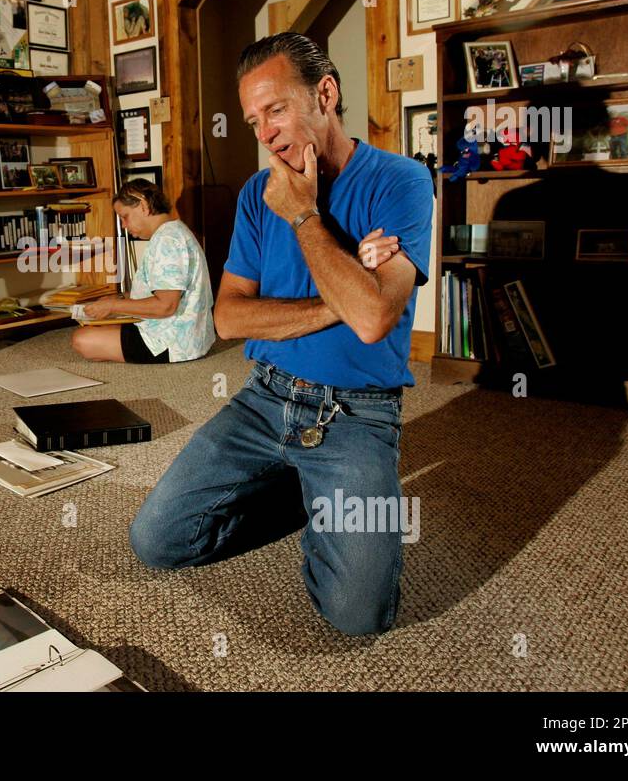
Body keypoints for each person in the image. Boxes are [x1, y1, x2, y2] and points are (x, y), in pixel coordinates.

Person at [129, 32, 432, 636]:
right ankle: (304, 495)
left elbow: (374, 321)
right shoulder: (253, 193)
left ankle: (322, 495)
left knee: (358, 615)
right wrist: (343, 295)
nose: (264, 133)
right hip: (265, 398)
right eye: (251, 121)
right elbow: (229, 317)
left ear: (325, 93)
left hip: (358, 413)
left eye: (274, 110)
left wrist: (303, 214)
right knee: (156, 539)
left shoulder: (401, 182)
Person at [70, 180, 215, 364]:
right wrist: (120, 298)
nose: (123, 225)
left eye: (125, 216)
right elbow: (160, 291)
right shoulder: (175, 232)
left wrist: (113, 306)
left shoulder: (167, 241)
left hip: (169, 342)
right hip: (189, 338)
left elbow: (166, 306)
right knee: (100, 330)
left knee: (82, 339)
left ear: (144, 205)